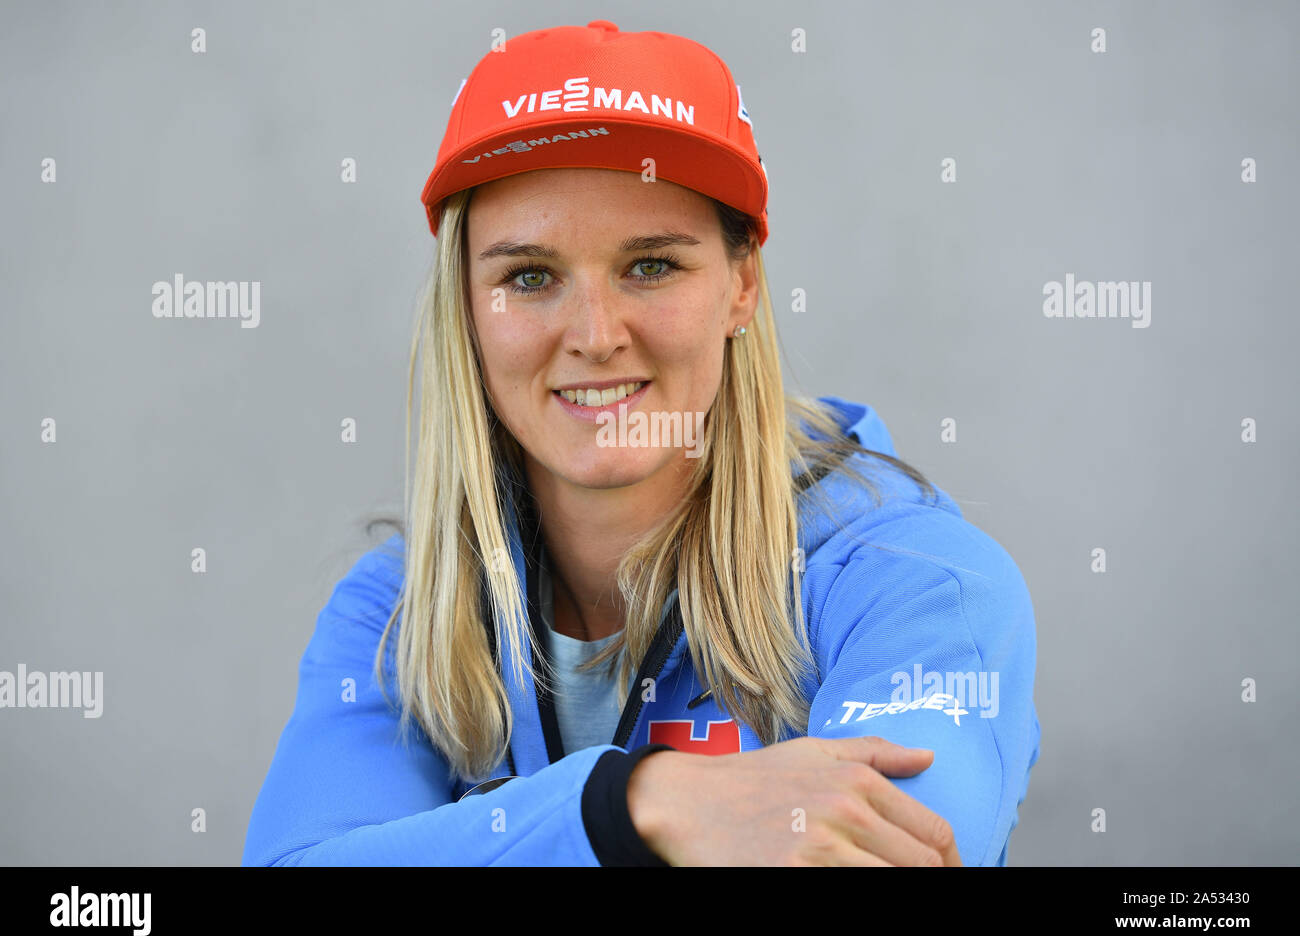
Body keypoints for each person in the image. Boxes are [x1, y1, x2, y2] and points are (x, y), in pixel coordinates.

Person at [241, 20, 1040, 866]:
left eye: (651, 265)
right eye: (530, 276)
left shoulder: (922, 586)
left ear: (742, 285)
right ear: (467, 313)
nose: (593, 335)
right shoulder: (398, 613)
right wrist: (630, 809)